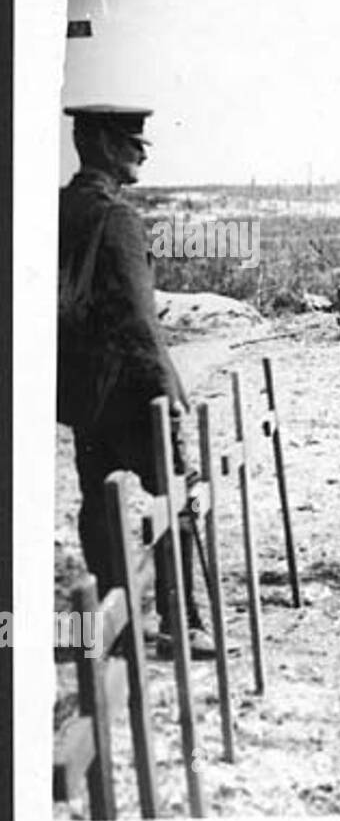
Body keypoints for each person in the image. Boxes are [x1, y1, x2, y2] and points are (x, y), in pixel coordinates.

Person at [58, 104, 215, 659]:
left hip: (82, 394)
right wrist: (170, 390)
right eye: (130, 141)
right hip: (131, 394)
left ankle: (116, 623)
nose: (142, 150)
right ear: (100, 144)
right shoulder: (117, 217)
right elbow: (136, 318)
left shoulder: (59, 208)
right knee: (177, 501)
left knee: (97, 506)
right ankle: (182, 623)